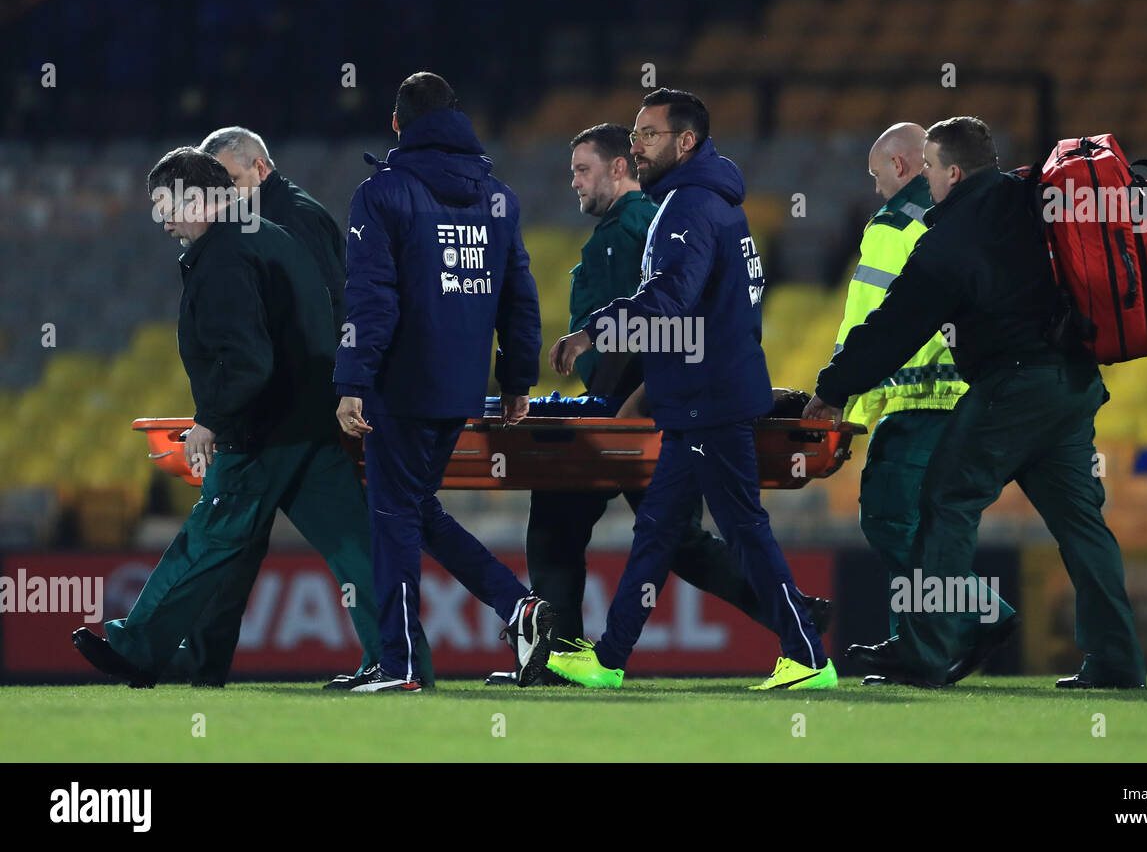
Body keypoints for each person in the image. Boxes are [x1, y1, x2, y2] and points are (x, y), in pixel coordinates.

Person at [806, 116, 1146, 689]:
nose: (928, 181)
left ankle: (927, 652)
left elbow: (892, 327)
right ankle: (1116, 661)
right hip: (1072, 384)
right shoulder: (1034, 200)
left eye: (932, 170)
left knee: (945, 502)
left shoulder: (952, 238)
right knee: (1082, 525)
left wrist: (832, 389)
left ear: (953, 172)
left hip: (1013, 386)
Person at [489, 124, 827, 684]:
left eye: (583, 169)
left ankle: (801, 636)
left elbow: (664, 317)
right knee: (665, 535)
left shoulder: (653, 225)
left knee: (571, 522)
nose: (572, 181)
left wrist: (624, 386)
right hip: (666, 404)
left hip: (656, 408)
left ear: (619, 168)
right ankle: (603, 660)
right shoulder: (670, 215)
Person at [72, 148, 423, 687]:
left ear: (200, 197)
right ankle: (401, 662)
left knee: (209, 537)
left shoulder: (224, 256)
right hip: (311, 420)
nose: (161, 217)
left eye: (166, 203)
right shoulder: (265, 234)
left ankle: (139, 646)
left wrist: (210, 420)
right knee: (354, 545)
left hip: (261, 430)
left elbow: (247, 360)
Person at [333, 72, 554, 692]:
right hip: (460, 386)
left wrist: (352, 380)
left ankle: (400, 666)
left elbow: (371, 298)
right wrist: (515, 380)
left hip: (399, 384)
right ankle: (517, 606)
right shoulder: (499, 198)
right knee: (415, 509)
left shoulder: (381, 194)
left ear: (397, 124)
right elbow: (520, 297)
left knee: (392, 516)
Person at [830, 122, 1017, 685]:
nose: (876, 188)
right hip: (975, 392)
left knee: (888, 515)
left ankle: (977, 616)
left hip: (921, 398)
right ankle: (912, 641)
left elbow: (868, 321)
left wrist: (844, 407)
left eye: (877, 175)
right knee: (917, 522)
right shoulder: (973, 217)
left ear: (902, 166)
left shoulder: (893, 224)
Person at [200, 126, 348, 335]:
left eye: (231, 182)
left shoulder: (294, 217)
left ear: (260, 169)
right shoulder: (251, 217)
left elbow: (334, 300)